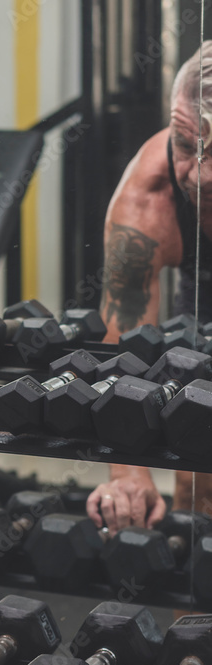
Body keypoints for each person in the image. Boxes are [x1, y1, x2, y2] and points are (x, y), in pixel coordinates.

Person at [87, 43, 212, 535]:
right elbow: (124, 351)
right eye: (186, 143)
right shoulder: (148, 195)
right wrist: (129, 474)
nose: (199, 175)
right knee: (199, 483)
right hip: (200, 299)